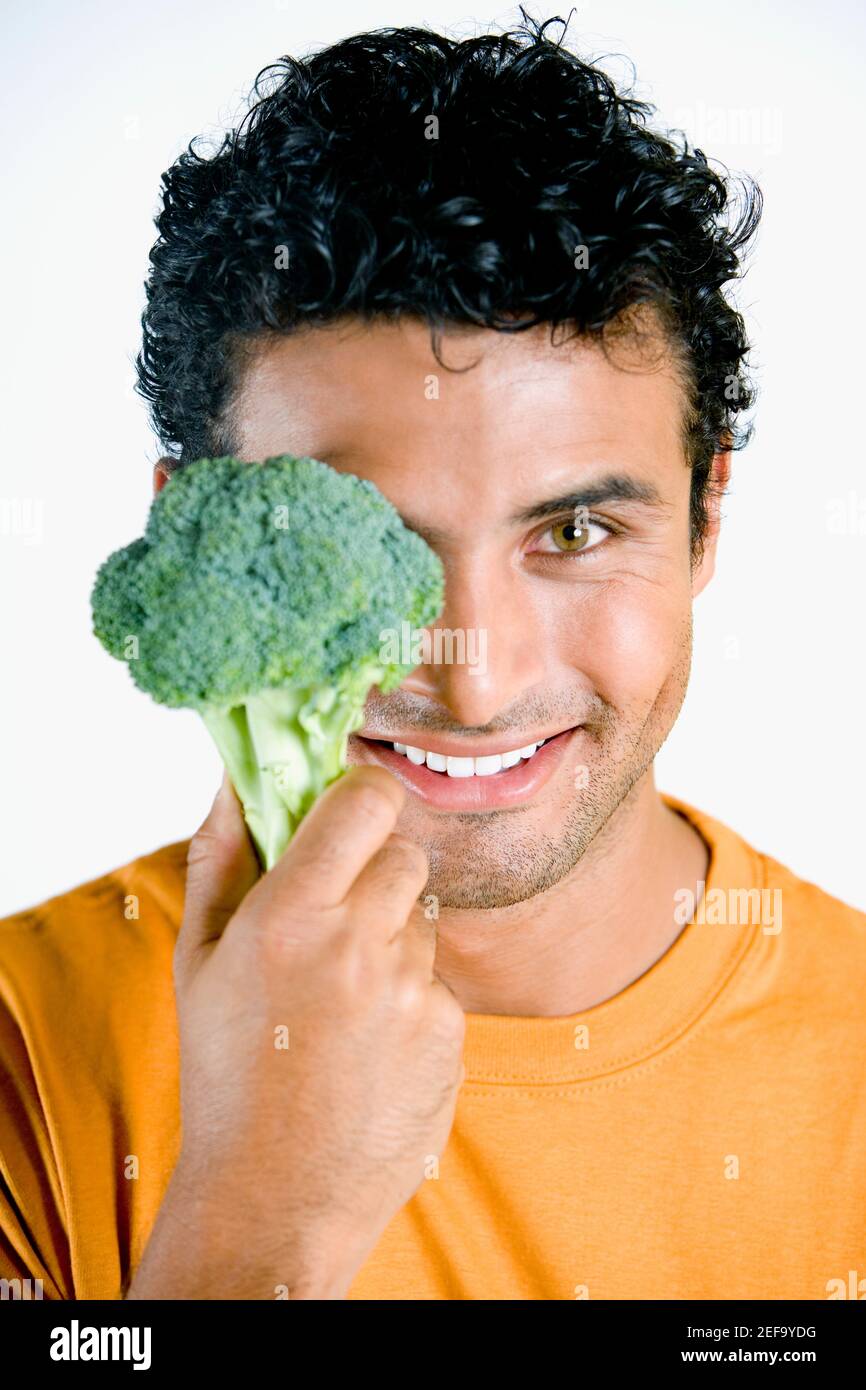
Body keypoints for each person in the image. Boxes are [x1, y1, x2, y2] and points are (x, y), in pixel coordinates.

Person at [2, 14, 864, 1302]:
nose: (474, 677)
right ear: (197, 529)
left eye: (575, 529)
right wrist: (259, 1220)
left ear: (706, 519)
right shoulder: (22, 1055)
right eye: (371, 546)